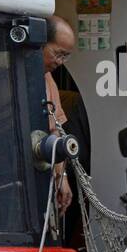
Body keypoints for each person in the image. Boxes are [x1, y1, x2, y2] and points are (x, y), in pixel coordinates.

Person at [42, 15, 77, 218]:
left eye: (65, 57)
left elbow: (56, 131)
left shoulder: (49, 81)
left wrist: (61, 176)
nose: (59, 62)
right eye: (57, 54)